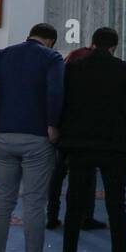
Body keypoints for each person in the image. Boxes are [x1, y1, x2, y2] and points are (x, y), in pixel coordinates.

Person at [0, 22, 64, 252]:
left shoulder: (5, 54)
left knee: (3, 200)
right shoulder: (52, 57)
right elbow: (56, 91)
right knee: (34, 202)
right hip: (36, 138)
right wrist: (53, 124)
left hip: (4, 136)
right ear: (51, 41)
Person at [59, 27, 126, 252]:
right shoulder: (124, 69)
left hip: (80, 144)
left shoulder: (73, 67)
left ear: (93, 43)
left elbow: (65, 103)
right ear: (114, 46)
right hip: (113, 146)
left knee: (74, 205)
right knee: (116, 206)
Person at [46, 45, 102, 232]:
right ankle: (86, 217)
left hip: (64, 132)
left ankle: (52, 216)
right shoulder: (94, 79)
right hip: (84, 134)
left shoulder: (63, 76)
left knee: (58, 173)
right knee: (87, 176)